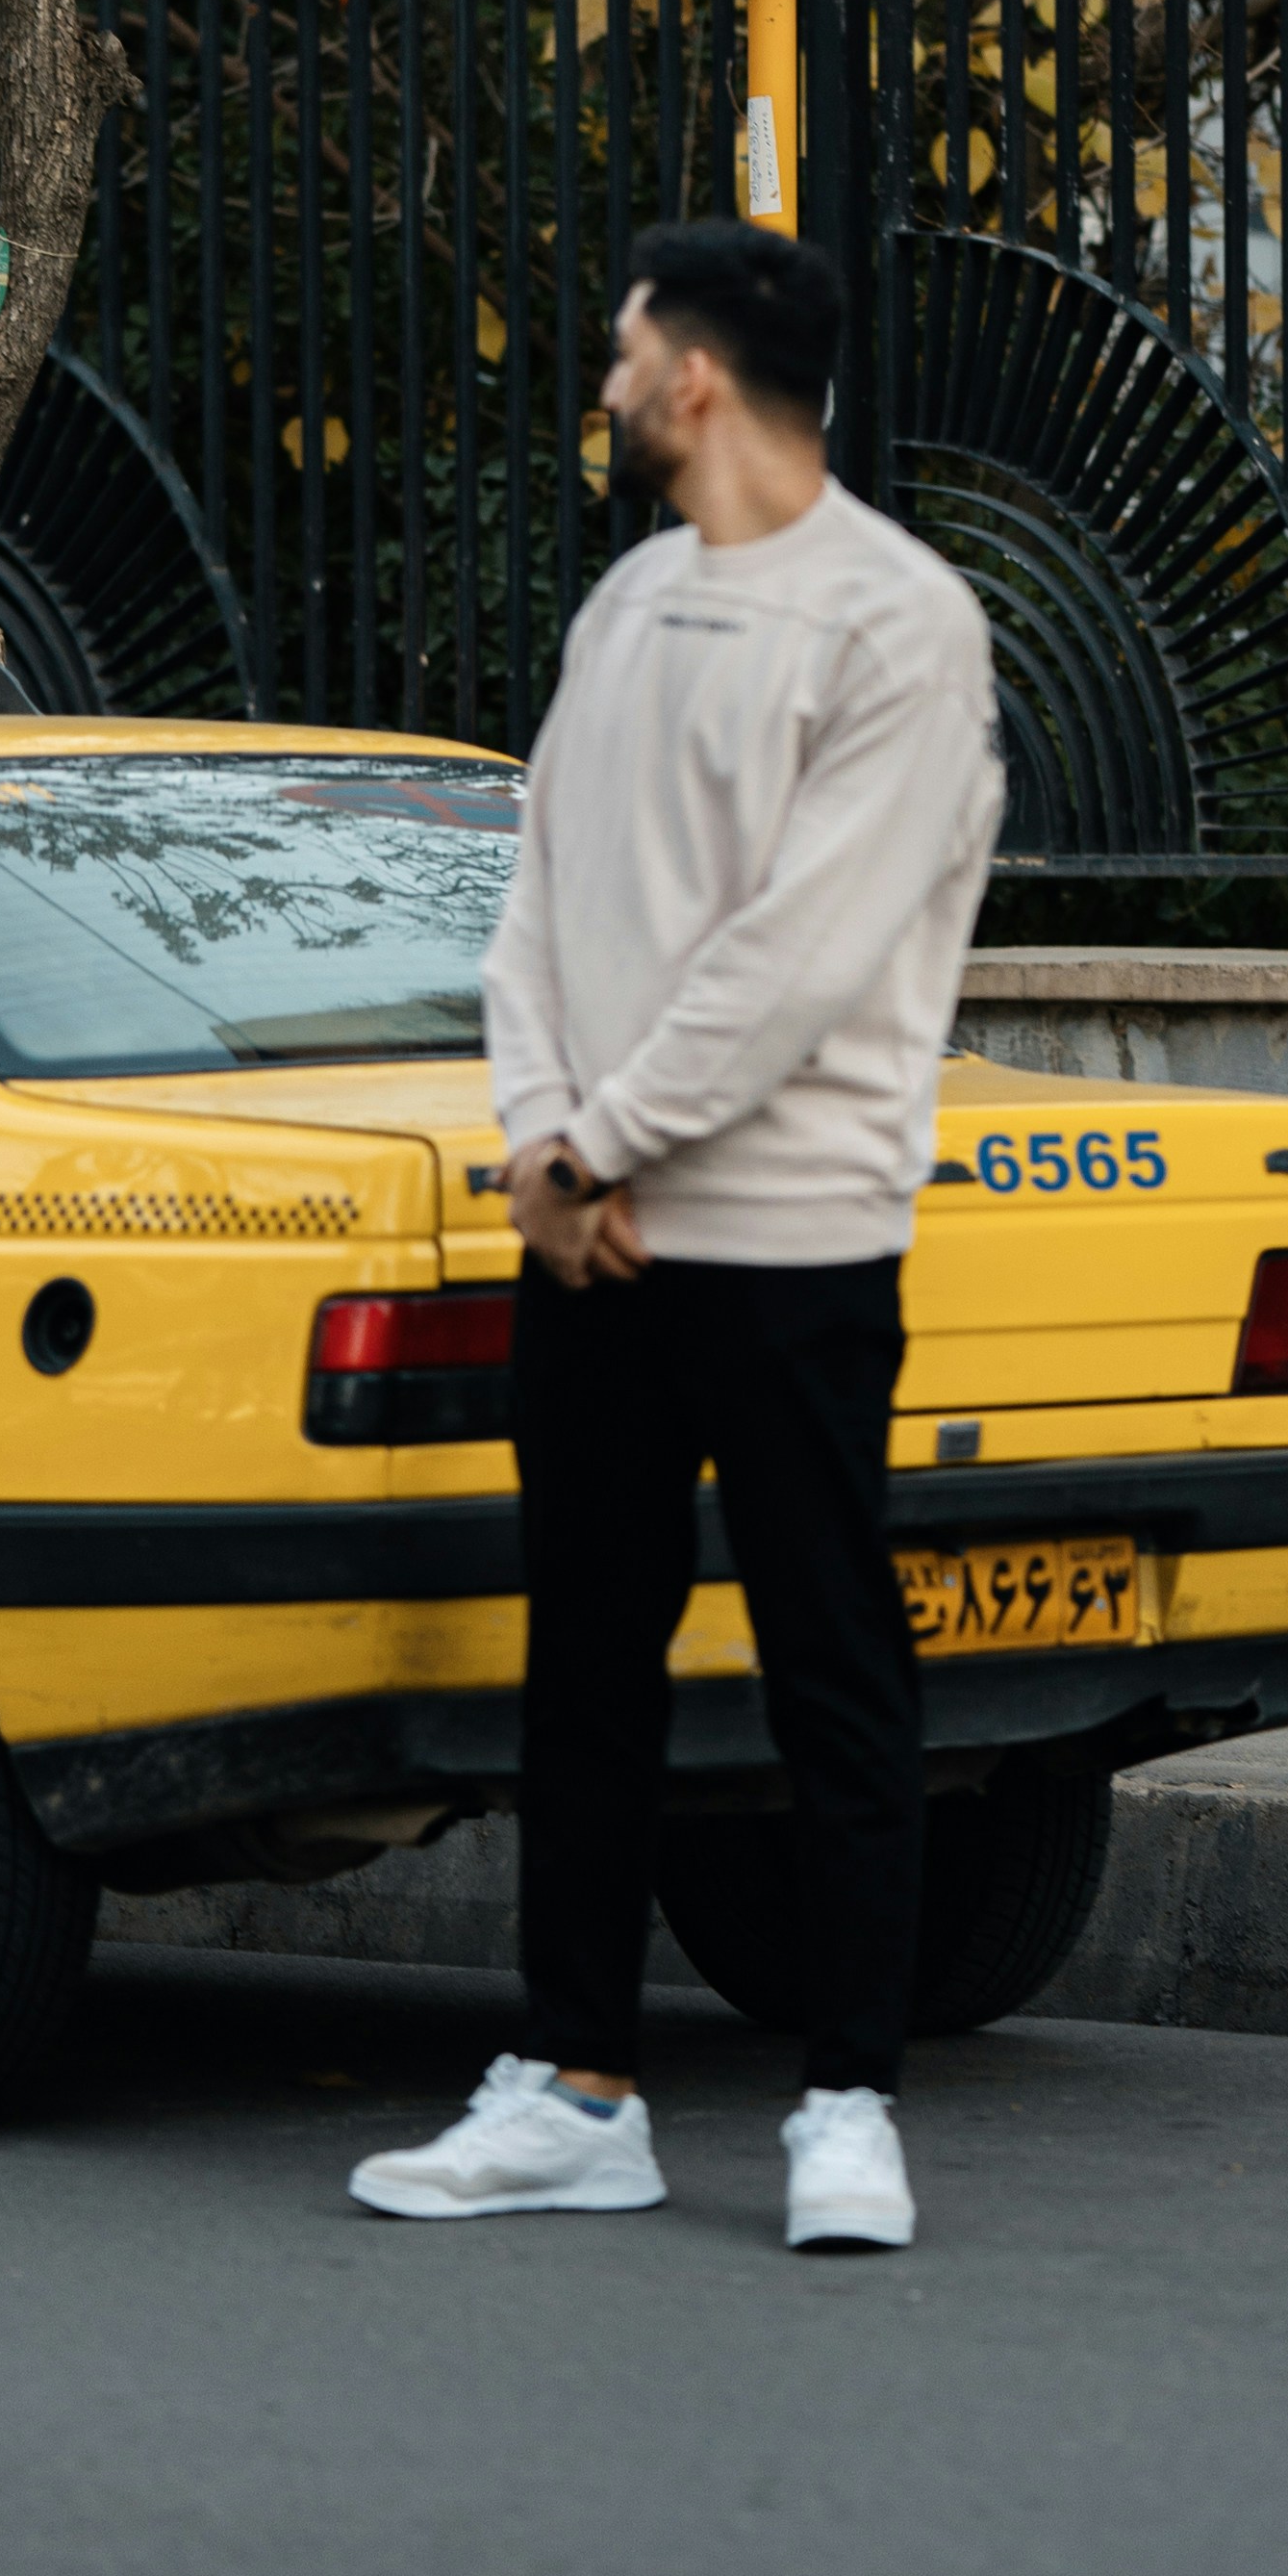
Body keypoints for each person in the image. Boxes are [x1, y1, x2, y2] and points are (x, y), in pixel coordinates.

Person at [350, 220, 1001, 2256]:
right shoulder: (628, 604)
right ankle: (574, 2087)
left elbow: (802, 951)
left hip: (789, 1234)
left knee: (829, 1661)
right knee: (588, 1669)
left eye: (626, 347)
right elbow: (533, 891)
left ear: (694, 376)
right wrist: (543, 1143)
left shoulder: (899, 622)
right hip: (589, 1237)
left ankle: (847, 2107)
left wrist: (609, 1137)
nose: (606, 379)